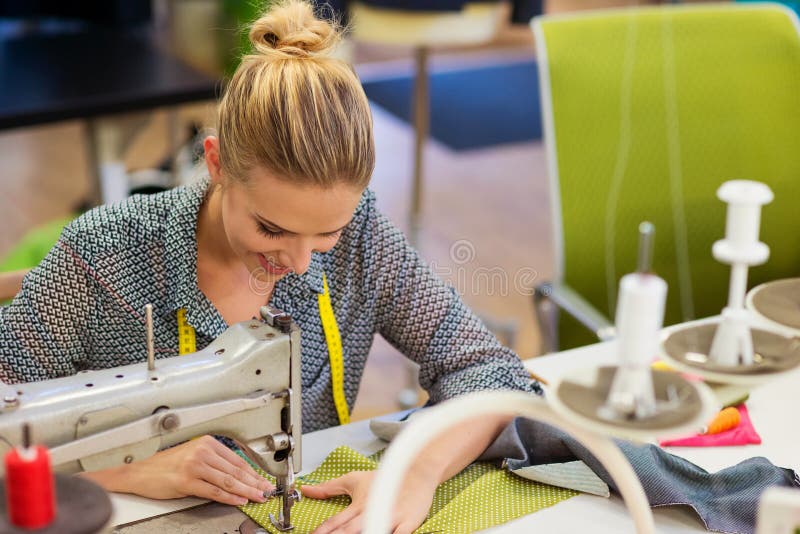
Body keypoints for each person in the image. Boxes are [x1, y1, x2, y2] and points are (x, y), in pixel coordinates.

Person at [0, 1, 540, 531]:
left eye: (325, 233)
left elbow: (489, 373)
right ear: (216, 165)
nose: (301, 262)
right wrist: (127, 471)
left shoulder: (362, 236)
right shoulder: (103, 255)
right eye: (273, 230)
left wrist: (412, 474)